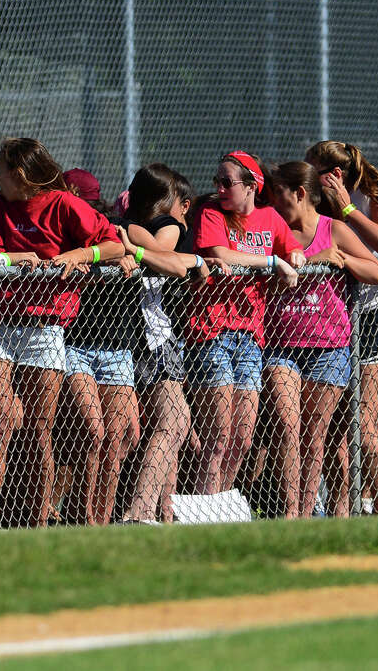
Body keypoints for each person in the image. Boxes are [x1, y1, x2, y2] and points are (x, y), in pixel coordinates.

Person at [0, 138, 122, 528]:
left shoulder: (62, 203)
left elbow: (112, 244)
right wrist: (18, 258)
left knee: (39, 431)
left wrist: (79, 254)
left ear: (21, 175)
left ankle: (39, 520)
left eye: (1, 167)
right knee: (0, 421)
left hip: (44, 328)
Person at [262, 161, 378, 519]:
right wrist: (314, 260)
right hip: (281, 344)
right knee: (286, 424)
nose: (272, 202)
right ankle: (289, 511)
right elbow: (259, 281)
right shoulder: (271, 229)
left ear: (300, 194)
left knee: (315, 435)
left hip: (328, 346)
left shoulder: (335, 229)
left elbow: (376, 272)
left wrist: (341, 259)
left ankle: (305, 512)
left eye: (278, 194)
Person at [181, 151, 304, 496]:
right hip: (211, 332)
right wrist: (273, 260)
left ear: (251, 186)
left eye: (227, 182)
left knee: (243, 437)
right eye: (216, 181)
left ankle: (219, 503)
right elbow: (218, 253)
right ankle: (205, 509)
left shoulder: (270, 218)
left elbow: (294, 250)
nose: (219, 188)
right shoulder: (211, 213)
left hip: (250, 336)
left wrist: (295, 255)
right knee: (218, 435)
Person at [304, 141, 378, 516]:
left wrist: (347, 207)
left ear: (336, 175)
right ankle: (340, 511)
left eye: (314, 171)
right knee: (334, 424)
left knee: (366, 418)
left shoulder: (371, 195)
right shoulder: (320, 203)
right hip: (343, 312)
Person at [113, 163, 212, 523]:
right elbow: (172, 263)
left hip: (158, 335)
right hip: (144, 337)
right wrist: (191, 259)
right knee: (173, 418)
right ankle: (138, 510)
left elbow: (174, 260)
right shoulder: (146, 227)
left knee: (172, 422)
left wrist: (195, 258)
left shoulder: (144, 228)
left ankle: (161, 509)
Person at [58, 168, 141, 525]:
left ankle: (100, 522)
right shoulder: (60, 232)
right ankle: (80, 515)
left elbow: (125, 249)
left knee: (119, 439)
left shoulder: (113, 228)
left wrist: (119, 255)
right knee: (93, 429)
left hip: (116, 346)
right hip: (76, 343)